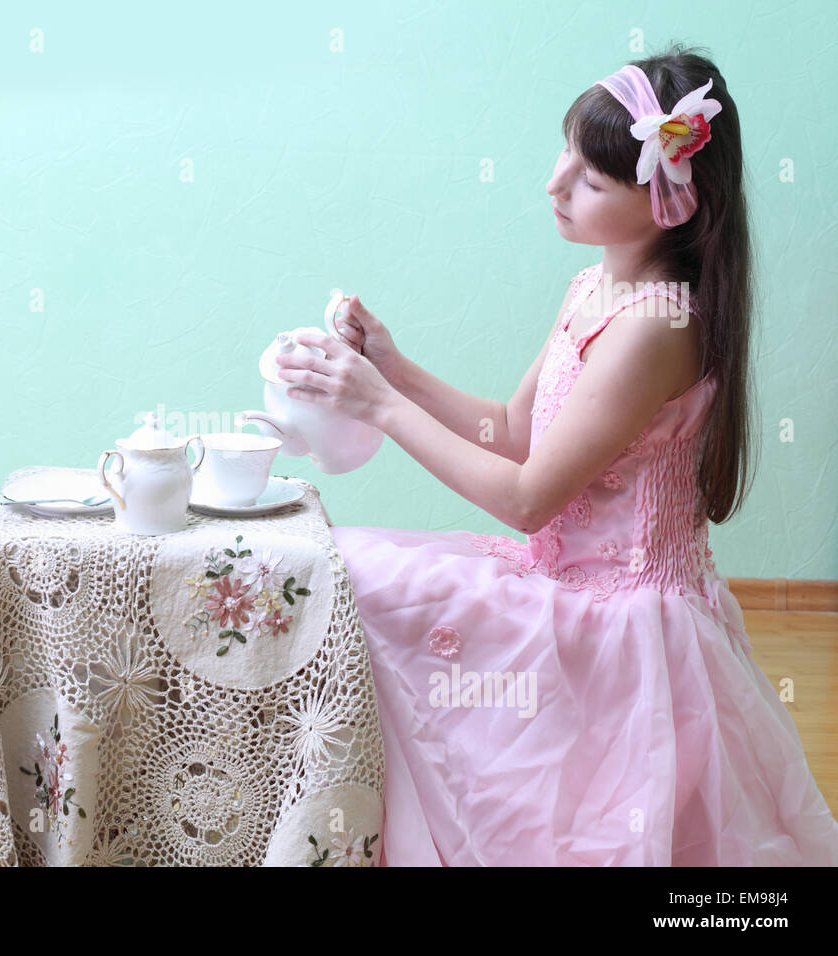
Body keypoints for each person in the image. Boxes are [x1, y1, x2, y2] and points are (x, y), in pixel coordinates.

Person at [276, 45, 838, 865]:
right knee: (349, 575)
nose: (554, 182)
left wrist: (379, 405)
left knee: (369, 593)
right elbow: (510, 428)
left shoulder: (659, 326)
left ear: (671, 200)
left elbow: (528, 497)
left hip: (617, 621)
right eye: (564, 153)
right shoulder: (594, 289)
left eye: (591, 179)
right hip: (556, 580)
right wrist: (393, 366)